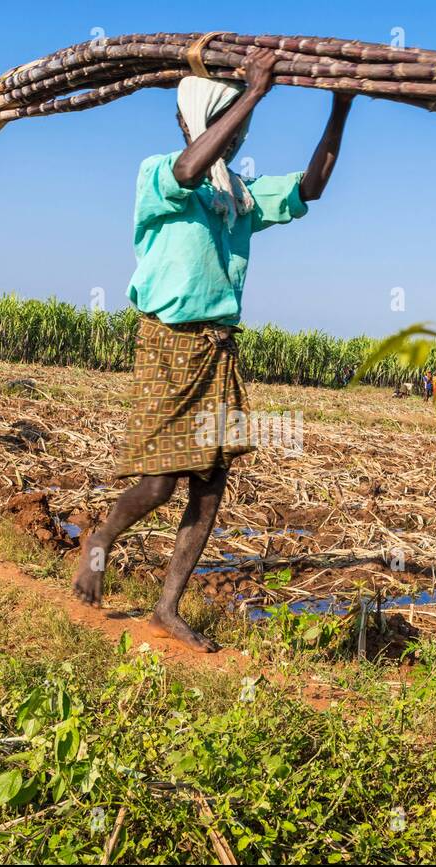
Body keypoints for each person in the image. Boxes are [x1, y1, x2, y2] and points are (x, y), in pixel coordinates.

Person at [71, 49, 353, 651]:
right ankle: (99, 540)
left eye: (245, 123)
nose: (242, 132)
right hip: (168, 345)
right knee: (160, 483)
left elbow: (312, 188)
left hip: (218, 350)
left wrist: (340, 106)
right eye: (233, 118)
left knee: (211, 482)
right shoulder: (160, 176)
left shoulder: (239, 198)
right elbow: (187, 172)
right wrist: (254, 92)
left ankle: (166, 606)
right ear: (198, 120)